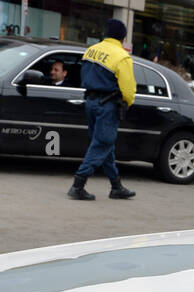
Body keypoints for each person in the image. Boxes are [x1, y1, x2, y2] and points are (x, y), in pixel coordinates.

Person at [69, 19, 137, 201]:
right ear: (123, 37)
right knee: (102, 143)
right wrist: (128, 102)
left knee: (104, 144)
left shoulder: (91, 50)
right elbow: (128, 89)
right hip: (107, 105)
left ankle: (116, 186)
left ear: (106, 34)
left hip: (90, 102)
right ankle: (78, 184)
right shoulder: (121, 56)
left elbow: (83, 75)